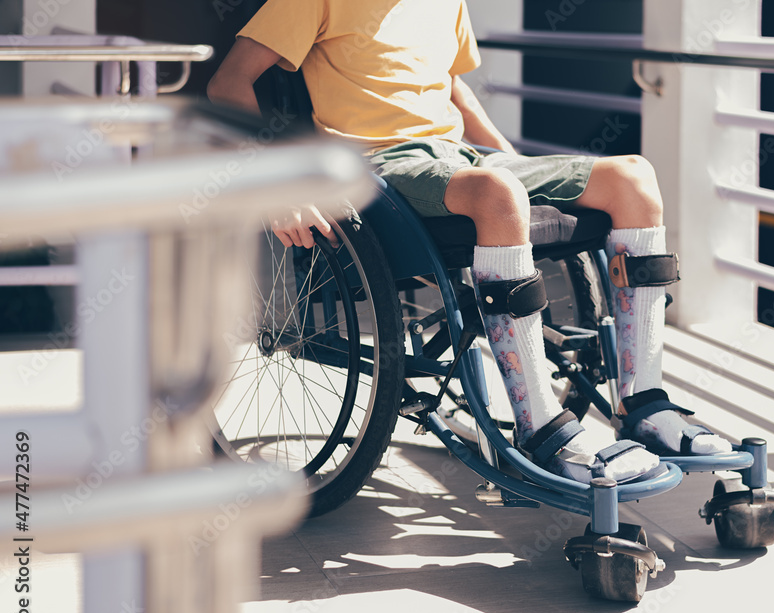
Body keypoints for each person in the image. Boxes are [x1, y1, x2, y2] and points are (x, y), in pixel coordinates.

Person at [208, 0, 731, 485]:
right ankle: (539, 427)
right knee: (499, 193)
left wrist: (518, 164)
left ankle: (644, 406)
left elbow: (455, 88)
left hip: (462, 158)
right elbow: (228, 84)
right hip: (379, 168)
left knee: (634, 178)